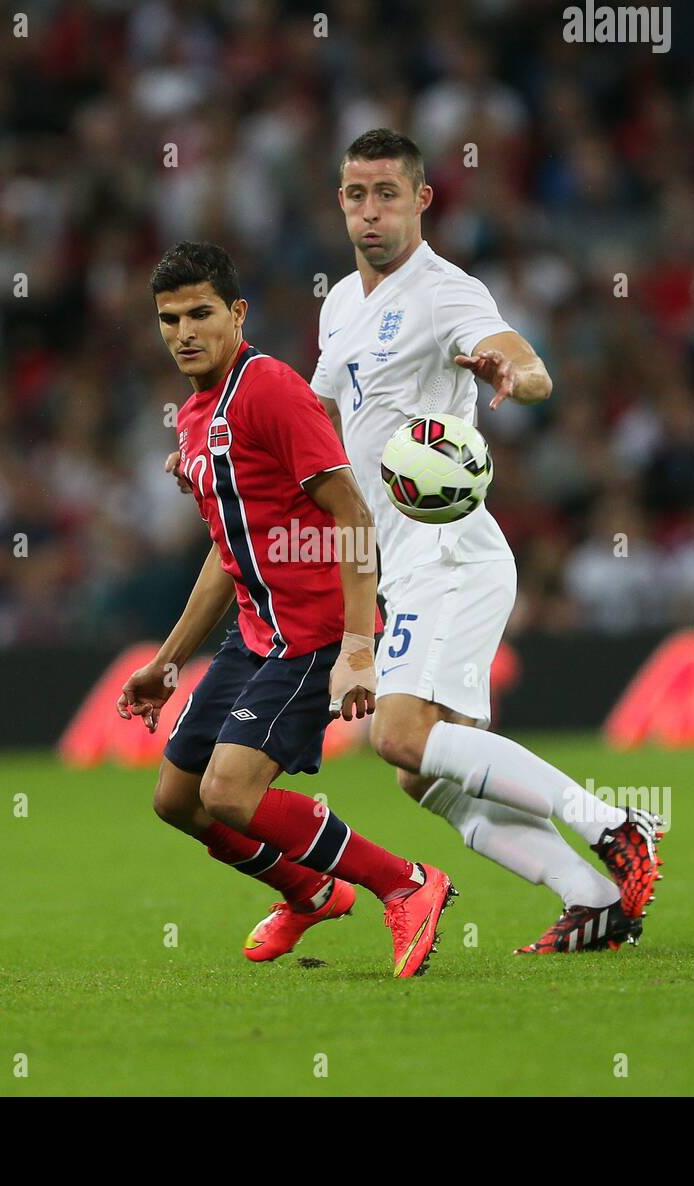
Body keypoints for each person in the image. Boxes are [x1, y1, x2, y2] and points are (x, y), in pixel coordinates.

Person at [307, 130, 662, 954]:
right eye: (357, 194)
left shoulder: (444, 292)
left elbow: (525, 361)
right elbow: (323, 419)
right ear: (340, 201)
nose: (371, 211)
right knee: (420, 773)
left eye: (388, 193)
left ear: (423, 200)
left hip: (452, 553)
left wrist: (514, 376)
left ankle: (614, 824)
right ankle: (597, 899)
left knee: (399, 734)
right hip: (404, 565)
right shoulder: (338, 306)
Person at [119, 240, 456, 978]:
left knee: (229, 793)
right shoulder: (194, 415)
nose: (184, 332)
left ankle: (405, 882)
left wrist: (358, 646)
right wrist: (167, 661)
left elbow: (354, 515)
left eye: (200, 313)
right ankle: (308, 892)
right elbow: (228, 550)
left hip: (311, 635)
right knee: (178, 801)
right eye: (169, 319)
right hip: (253, 635)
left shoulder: (268, 388)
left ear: (237, 313)